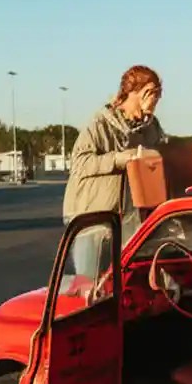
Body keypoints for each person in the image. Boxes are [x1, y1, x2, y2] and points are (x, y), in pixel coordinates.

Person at [61, 65, 168, 289]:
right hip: (93, 221)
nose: (155, 104)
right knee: (89, 287)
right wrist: (122, 159)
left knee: (127, 287)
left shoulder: (150, 127)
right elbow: (80, 163)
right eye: (154, 97)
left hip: (130, 221)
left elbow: (163, 151)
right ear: (143, 92)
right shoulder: (100, 124)